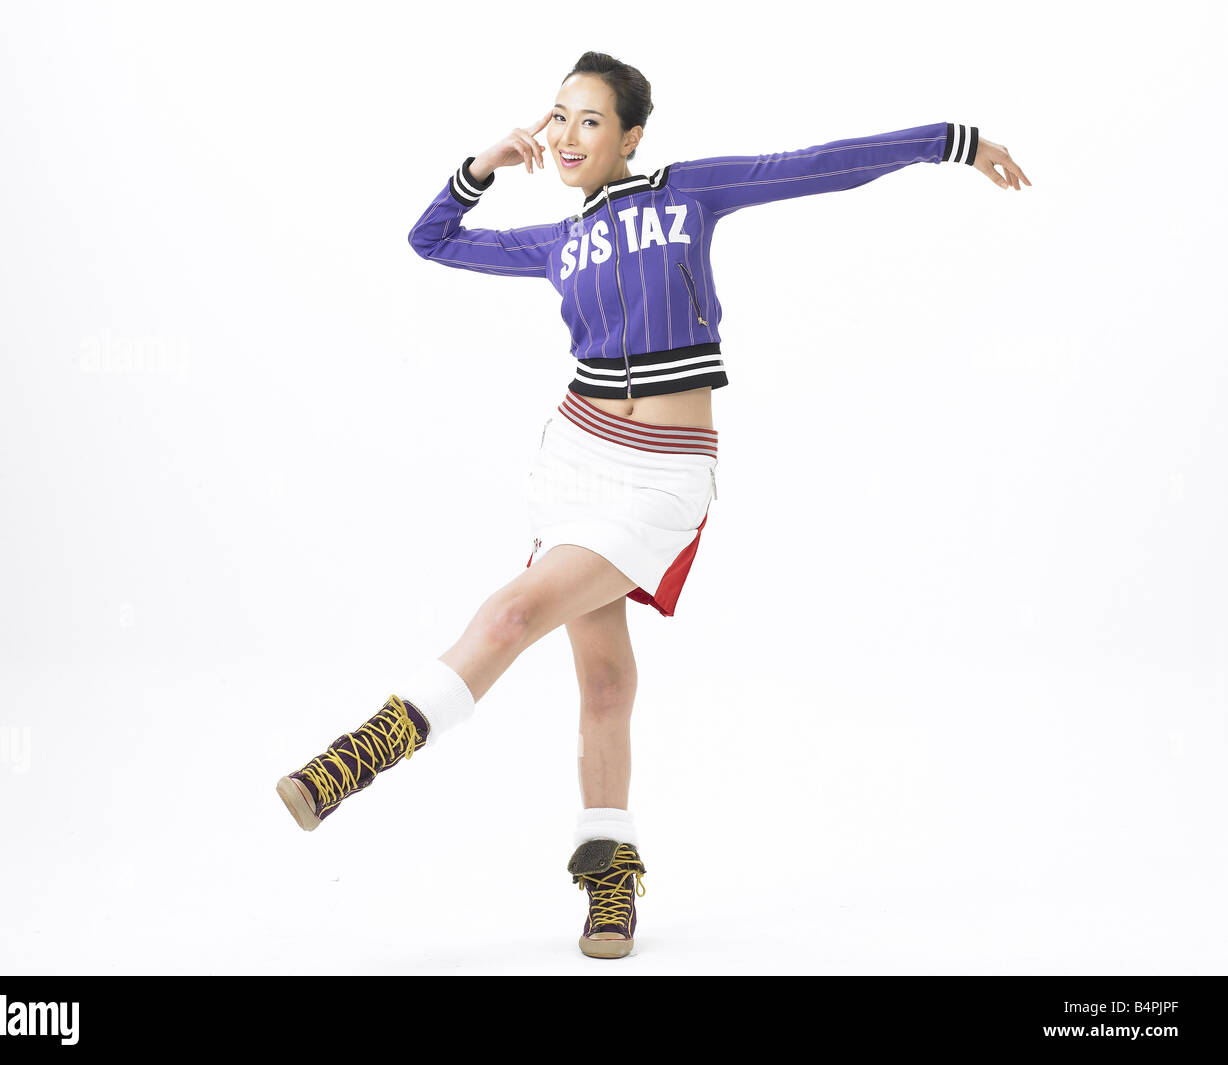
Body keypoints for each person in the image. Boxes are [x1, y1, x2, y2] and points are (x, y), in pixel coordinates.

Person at [276, 51, 1031, 960]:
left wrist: (954, 143)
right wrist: (482, 168)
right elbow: (429, 239)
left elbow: (819, 164)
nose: (565, 135)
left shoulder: (688, 194)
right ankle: (611, 878)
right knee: (604, 681)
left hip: (666, 473)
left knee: (518, 609)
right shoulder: (554, 243)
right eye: (557, 116)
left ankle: (360, 753)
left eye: (589, 120)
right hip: (575, 459)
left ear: (630, 137)